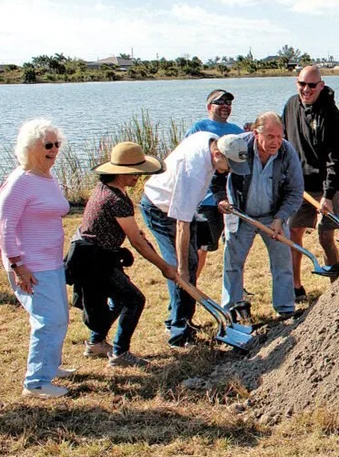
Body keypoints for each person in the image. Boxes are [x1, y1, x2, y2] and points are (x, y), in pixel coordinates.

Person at [69, 142, 177, 368]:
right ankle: (120, 353)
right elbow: (137, 242)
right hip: (95, 261)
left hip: (100, 256)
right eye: (133, 172)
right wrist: (164, 266)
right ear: (118, 172)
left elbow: (132, 231)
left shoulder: (106, 190)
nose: (137, 176)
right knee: (134, 299)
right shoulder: (116, 200)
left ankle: (96, 342)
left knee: (120, 299)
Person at [0, 119, 73, 398]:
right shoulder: (21, 181)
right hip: (30, 265)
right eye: (47, 145)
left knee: (59, 318)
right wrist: (18, 266)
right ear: (31, 148)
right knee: (49, 319)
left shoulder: (47, 176)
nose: (54, 150)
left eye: (57, 144)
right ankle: (36, 382)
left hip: (51, 262)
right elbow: (5, 226)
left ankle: (49, 366)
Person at [140, 130, 233, 347]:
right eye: (229, 166)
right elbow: (181, 225)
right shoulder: (194, 172)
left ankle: (178, 319)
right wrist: (181, 268)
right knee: (182, 269)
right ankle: (179, 334)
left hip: (178, 207)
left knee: (189, 266)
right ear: (218, 154)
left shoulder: (210, 138)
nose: (229, 172)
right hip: (160, 209)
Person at [214, 114, 304, 320]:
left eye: (280, 136)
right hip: (240, 215)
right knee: (232, 264)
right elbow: (217, 173)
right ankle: (231, 312)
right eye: (271, 136)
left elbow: (295, 191)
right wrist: (220, 199)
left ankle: (285, 309)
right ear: (256, 133)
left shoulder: (286, 152)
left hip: (273, 216)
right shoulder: (238, 146)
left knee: (282, 262)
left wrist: (281, 218)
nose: (276, 142)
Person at [282, 66, 339, 301]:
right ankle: (295, 287)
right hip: (299, 185)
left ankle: (337, 288)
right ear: (296, 83)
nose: (306, 89)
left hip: (326, 186)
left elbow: (337, 159)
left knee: (325, 236)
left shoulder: (331, 115)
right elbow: (286, 144)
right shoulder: (290, 106)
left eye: (312, 85)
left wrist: (328, 195)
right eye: (302, 84)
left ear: (321, 85)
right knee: (293, 233)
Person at [185, 89, 243, 278]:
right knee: (202, 247)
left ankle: (234, 284)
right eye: (220, 102)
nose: (226, 106)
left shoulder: (236, 131)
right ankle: (190, 283)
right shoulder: (199, 128)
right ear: (209, 107)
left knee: (233, 244)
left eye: (229, 103)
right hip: (207, 200)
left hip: (232, 199)